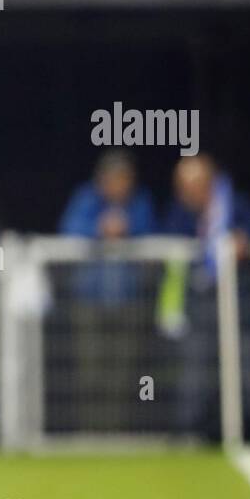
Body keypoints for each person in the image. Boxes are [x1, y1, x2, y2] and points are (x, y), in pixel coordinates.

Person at [161, 155, 250, 439]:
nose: (188, 191)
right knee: (195, 370)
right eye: (183, 186)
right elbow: (165, 237)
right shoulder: (180, 212)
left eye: (194, 184)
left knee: (247, 368)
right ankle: (190, 430)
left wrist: (244, 239)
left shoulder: (235, 205)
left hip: (238, 301)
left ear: (209, 182)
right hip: (199, 302)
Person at [55, 149, 157, 432]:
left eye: (124, 178)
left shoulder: (140, 202)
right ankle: (91, 431)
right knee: (91, 371)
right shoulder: (86, 199)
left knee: (125, 373)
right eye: (113, 178)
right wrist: (99, 228)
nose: (119, 184)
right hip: (89, 301)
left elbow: (151, 237)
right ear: (102, 179)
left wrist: (127, 229)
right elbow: (68, 232)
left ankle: (119, 431)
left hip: (128, 301)